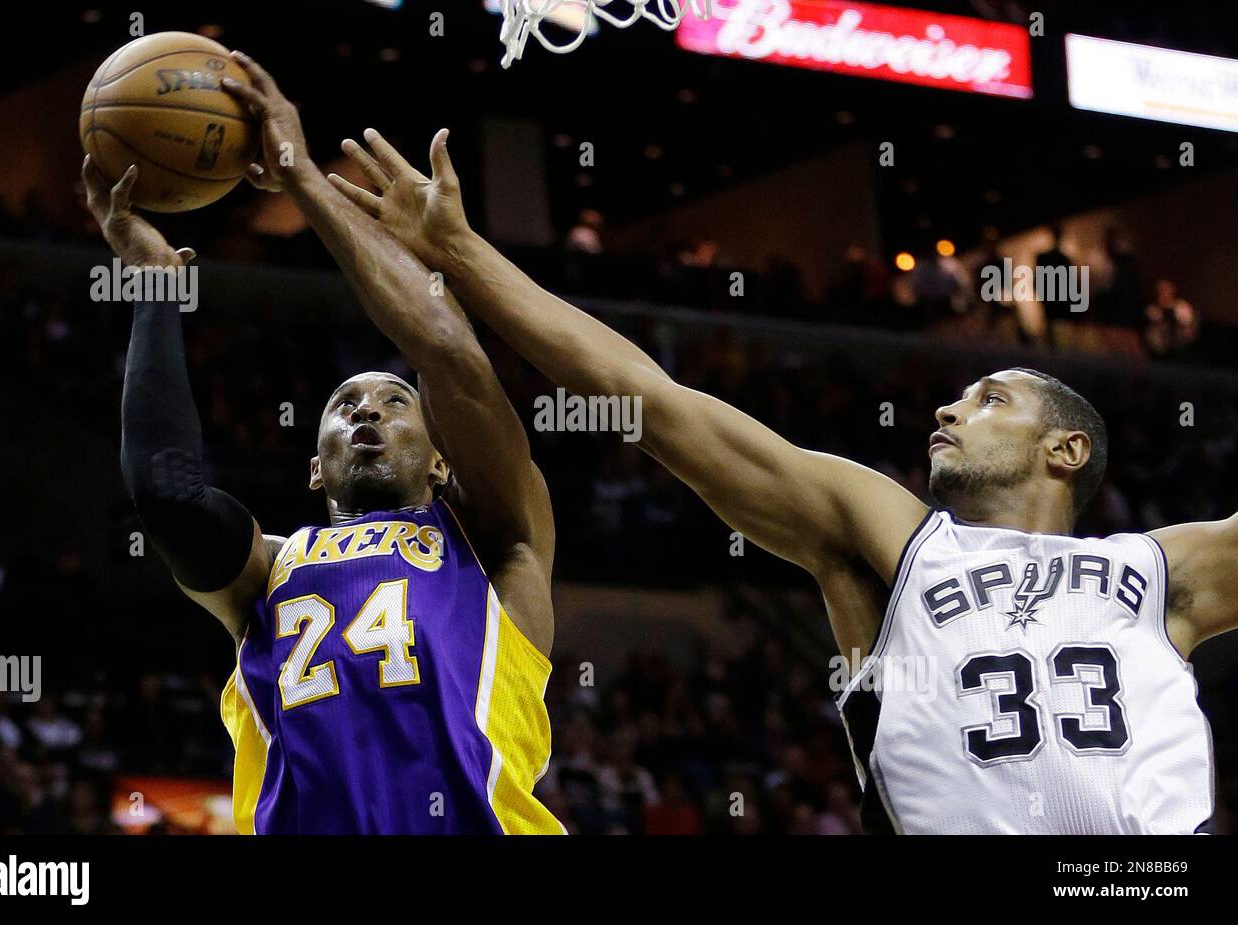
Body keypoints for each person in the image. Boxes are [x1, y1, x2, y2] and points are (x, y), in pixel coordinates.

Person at [328, 128, 1237, 835]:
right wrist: (461, 251)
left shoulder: (1167, 567)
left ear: (1066, 451)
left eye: (989, 398)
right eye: (954, 400)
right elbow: (653, 401)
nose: (948, 413)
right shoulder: (891, 539)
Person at [81, 53, 563, 835]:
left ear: (443, 459)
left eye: (394, 401)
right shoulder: (270, 570)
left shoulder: (500, 546)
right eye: (343, 406)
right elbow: (166, 494)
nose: (365, 412)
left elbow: (451, 356)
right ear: (314, 468)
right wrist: (157, 286)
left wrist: (301, 173)